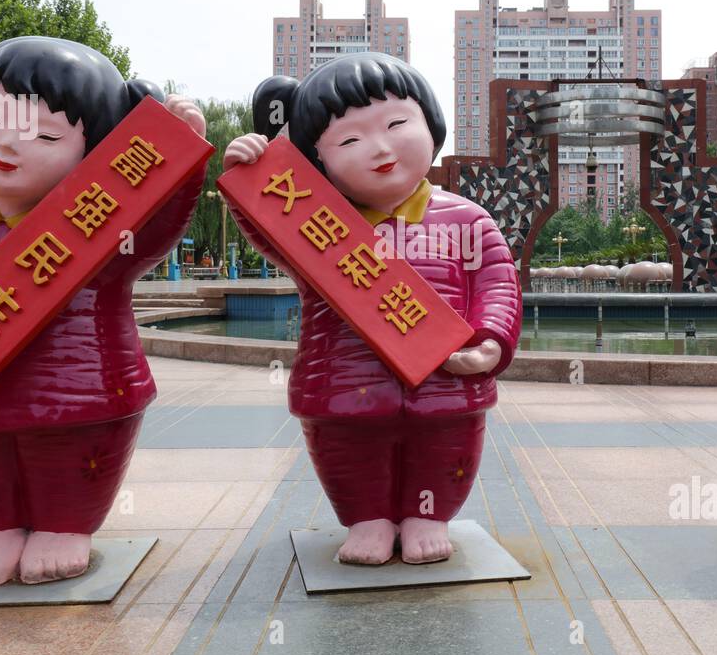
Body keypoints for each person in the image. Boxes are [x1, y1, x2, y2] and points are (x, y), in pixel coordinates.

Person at [0, 36, 207, 585]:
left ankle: (65, 526)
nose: (10, 146)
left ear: (92, 151)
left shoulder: (96, 218)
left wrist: (183, 160)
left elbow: (154, 231)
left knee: (70, 457)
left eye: (47, 136)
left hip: (79, 387)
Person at [222, 52, 522, 565]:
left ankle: (429, 514)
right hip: (341, 380)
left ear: (431, 124)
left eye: (397, 124)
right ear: (317, 159)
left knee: (443, 447)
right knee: (350, 451)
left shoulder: (467, 219)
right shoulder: (316, 221)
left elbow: (497, 282)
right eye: (349, 139)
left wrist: (491, 341)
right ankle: (367, 519)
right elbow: (269, 234)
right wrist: (245, 183)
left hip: (446, 383)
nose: (379, 149)